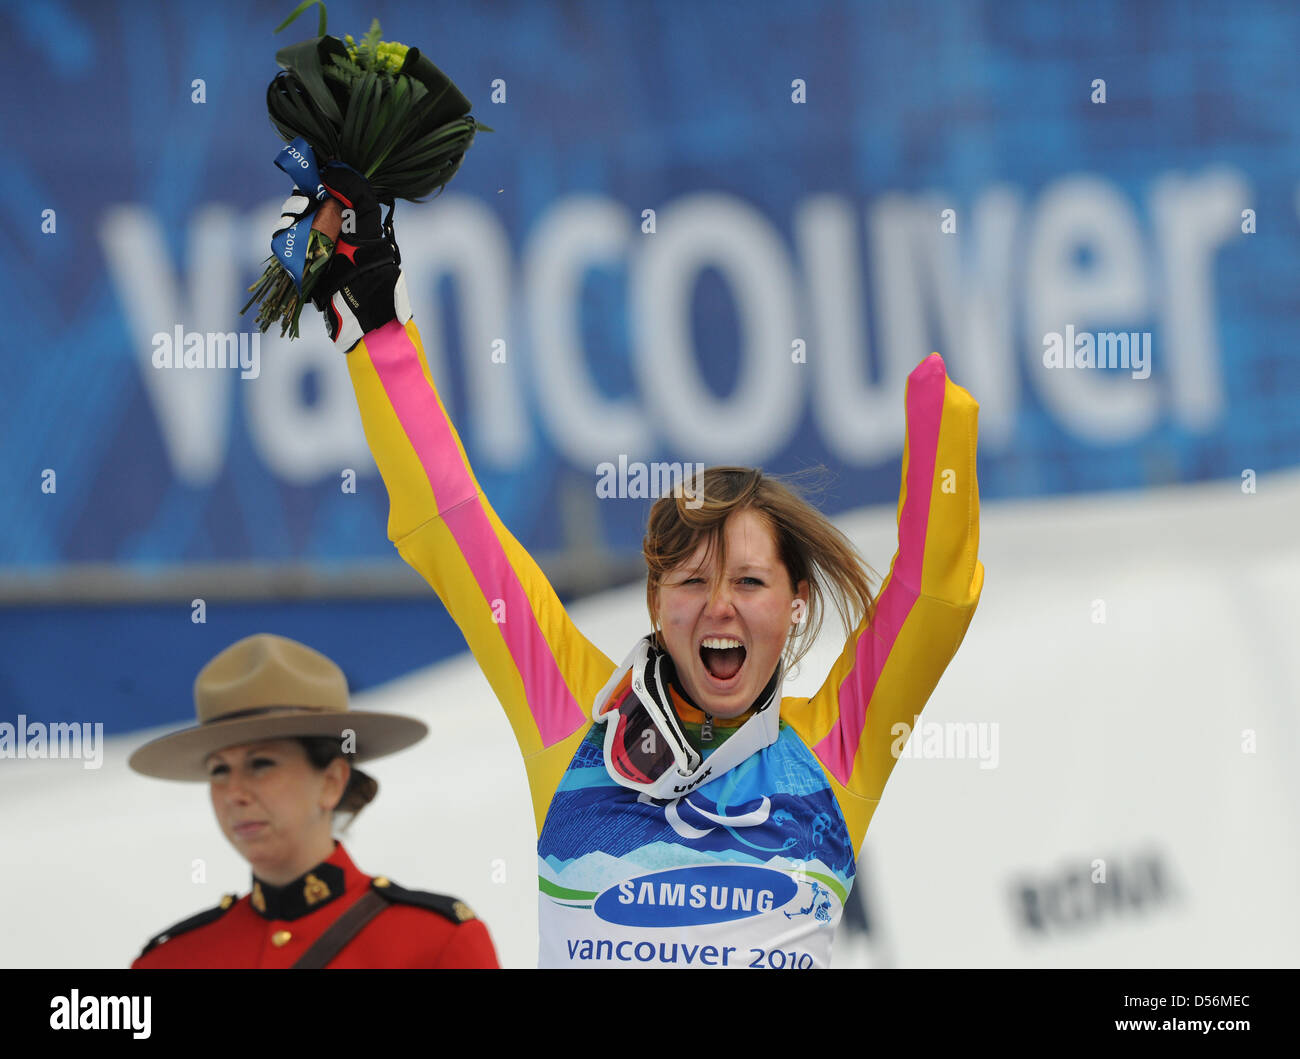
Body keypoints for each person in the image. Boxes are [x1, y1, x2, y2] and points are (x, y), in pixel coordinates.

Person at [292, 164, 983, 968]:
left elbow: (935, 595)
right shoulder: (570, 720)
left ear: (797, 601)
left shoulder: (837, 752)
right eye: (692, 580)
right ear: (655, 599)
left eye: (750, 581)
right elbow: (453, 528)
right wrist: (375, 324)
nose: (719, 605)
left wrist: (946, 435)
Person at [128, 632, 499, 968]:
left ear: (332, 782)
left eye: (261, 764)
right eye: (219, 770)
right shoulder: (171, 960)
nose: (234, 794)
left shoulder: (436, 944)